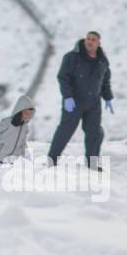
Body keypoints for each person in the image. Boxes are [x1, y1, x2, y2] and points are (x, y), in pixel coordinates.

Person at [47, 31, 114, 168]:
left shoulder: (103, 61)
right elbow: (63, 77)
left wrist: (107, 98)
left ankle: (92, 164)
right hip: (74, 101)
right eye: (88, 39)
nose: (89, 41)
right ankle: (51, 159)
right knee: (65, 130)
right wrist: (67, 97)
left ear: (98, 44)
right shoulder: (72, 57)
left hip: (94, 103)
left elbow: (105, 81)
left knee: (94, 133)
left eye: (93, 40)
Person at [0, 94, 35, 163]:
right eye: (26, 113)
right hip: (0, 158)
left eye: (30, 114)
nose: (28, 116)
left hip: (13, 161)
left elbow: (22, 143)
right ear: (19, 111)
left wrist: (27, 154)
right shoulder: (7, 122)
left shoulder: (25, 127)